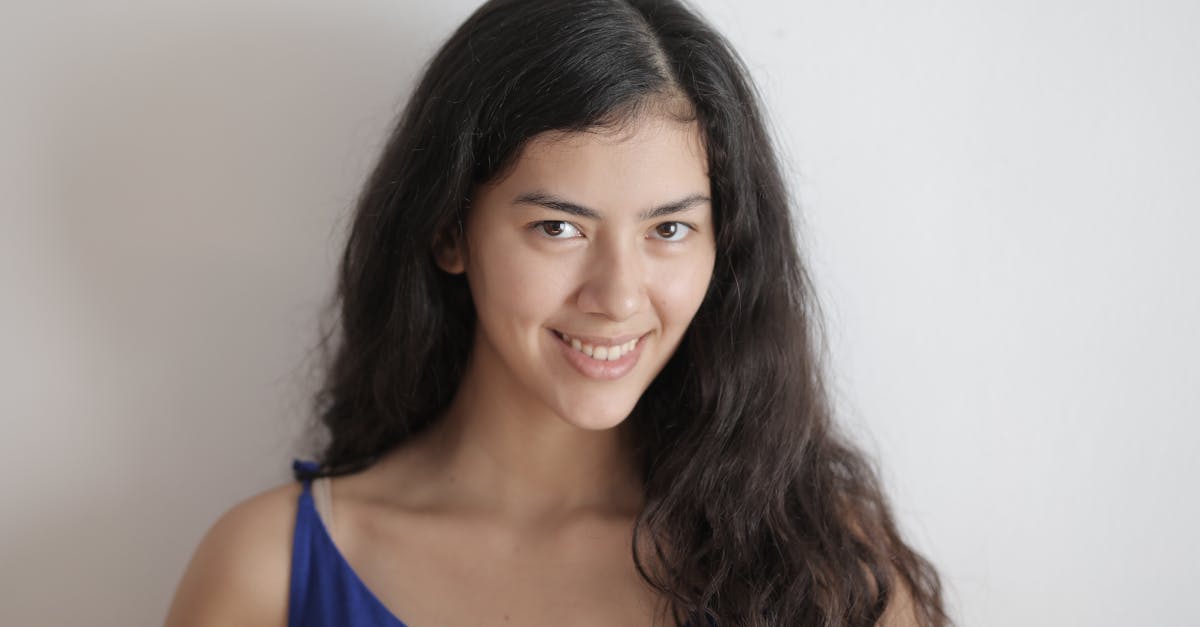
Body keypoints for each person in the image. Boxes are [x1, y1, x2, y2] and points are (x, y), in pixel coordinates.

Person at [164, 0, 951, 625]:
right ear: (449, 230)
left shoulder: (827, 568)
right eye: (559, 228)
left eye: (669, 229)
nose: (617, 295)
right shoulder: (265, 571)